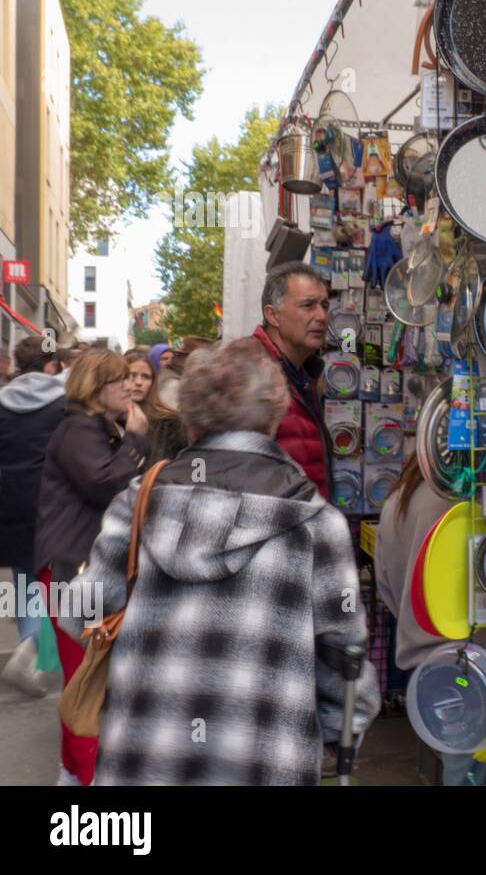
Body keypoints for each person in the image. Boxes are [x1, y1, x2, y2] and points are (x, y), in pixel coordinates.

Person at [66, 338, 379, 785]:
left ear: (191, 420)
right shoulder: (315, 521)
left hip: (144, 761)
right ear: (274, 418)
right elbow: (345, 660)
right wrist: (334, 732)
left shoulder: (139, 502)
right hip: (266, 763)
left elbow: (81, 610)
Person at [34, 348, 148, 785]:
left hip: (80, 569)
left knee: (88, 676)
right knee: (86, 680)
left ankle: (76, 772)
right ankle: (84, 778)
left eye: (133, 378)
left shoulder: (98, 427)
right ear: (95, 388)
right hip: (72, 570)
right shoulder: (79, 428)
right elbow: (107, 485)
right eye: (119, 380)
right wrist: (136, 440)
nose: (130, 386)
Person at [374, 455, 478, 784]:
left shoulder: (399, 499)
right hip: (476, 656)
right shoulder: (470, 502)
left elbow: (385, 584)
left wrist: (412, 623)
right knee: (478, 759)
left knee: (459, 758)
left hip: (426, 658)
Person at [0, 337, 66, 696]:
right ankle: (34, 649)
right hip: (49, 504)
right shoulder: (63, 405)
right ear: (51, 365)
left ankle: (30, 645)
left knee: (24, 579)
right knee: (56, 583)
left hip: (8, 504)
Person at [253, 262, 331, 497]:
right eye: (308, 306)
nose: (322, 316)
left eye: (325, 306)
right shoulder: (247, 373)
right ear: (273, 315)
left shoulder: (305, 375)